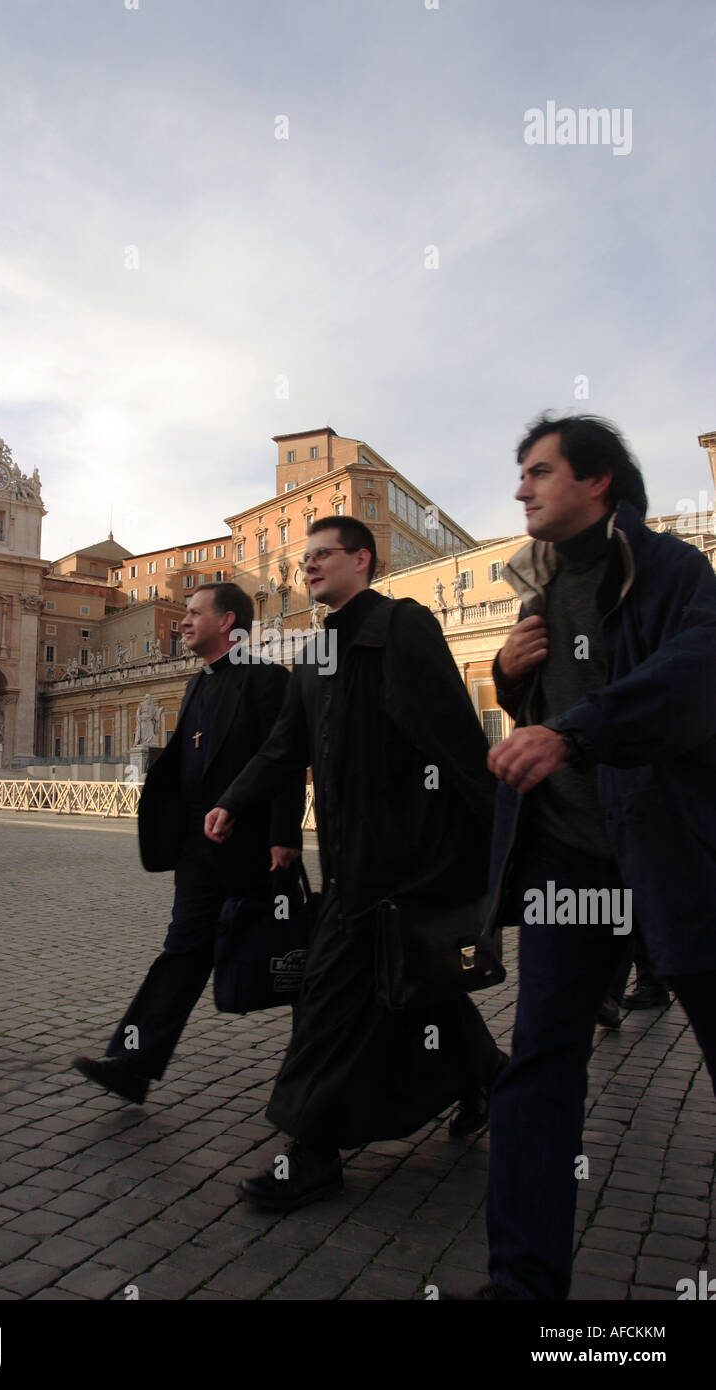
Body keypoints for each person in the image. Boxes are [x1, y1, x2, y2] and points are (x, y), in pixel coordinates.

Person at [471, 413, 716, 1301]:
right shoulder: (535, 597)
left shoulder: (673, 571)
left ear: (598, 481)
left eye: (538, 471)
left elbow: (693, 679)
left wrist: (574, 735)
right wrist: (506, 674)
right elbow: (543, 712)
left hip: (671, 855)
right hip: (570, 865)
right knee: (538, 1068)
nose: (521, 488)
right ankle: (523, 1289)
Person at [205, 517, 507, 1212]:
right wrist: (235, 800)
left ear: (362, 560)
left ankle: (311, 1153)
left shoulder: (403, 627)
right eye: (304, 558)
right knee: (411, 982)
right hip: (349, 860)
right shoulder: (311, 656)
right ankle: (487, 1074)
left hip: (406, 858)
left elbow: (453, 735)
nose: (307, 567)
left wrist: (492, 834)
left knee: (326, 996)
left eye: (322, 556)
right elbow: (286, 747)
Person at [73, 583, 304, 1106]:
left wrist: (284, 836)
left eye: (194, 613)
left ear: (227, 622)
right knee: (182, 951)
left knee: (292, 960)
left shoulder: (268, 680)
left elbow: (285, 757)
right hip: (200, 851)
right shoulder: (198, 685)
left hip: (254, 849)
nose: (183, 621)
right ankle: (134, 1064)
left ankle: (320, 1076)